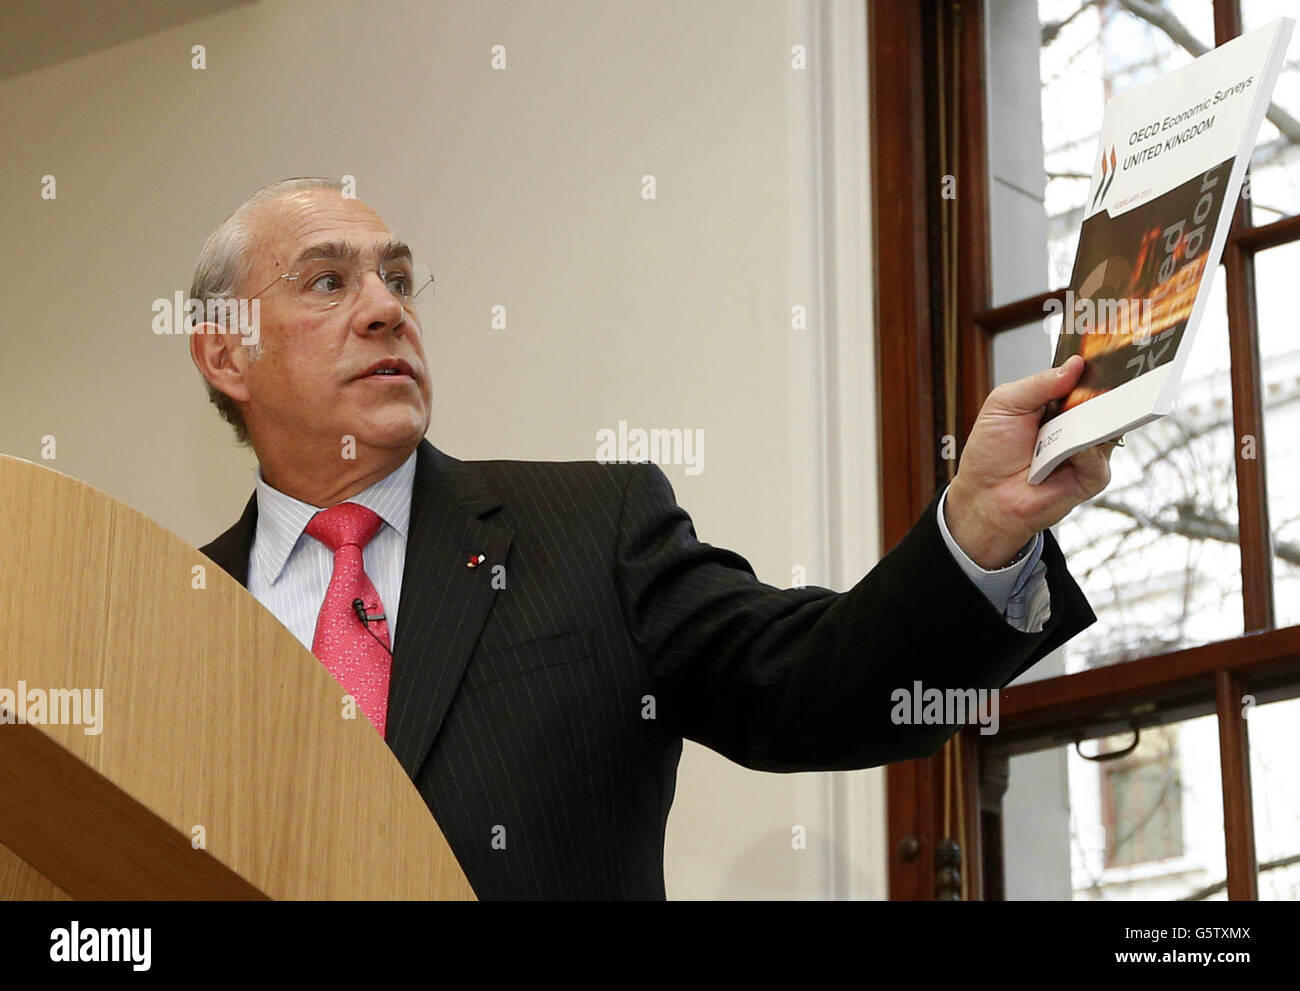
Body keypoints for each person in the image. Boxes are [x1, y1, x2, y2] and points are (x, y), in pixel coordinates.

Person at [191, 177, 1114, 899]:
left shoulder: (590, 533)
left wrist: (982, 526)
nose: (387, 307)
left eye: (396, 277)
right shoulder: (167, 614)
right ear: (225, 352)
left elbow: (824, 683)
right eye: (327, 281)